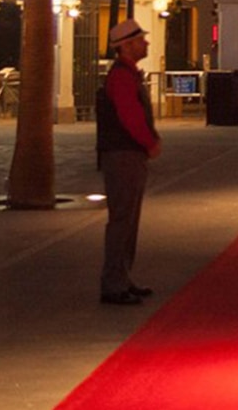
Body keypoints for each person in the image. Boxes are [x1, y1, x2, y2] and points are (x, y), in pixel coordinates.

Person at [97, 18, 161, 304]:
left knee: (128, 219)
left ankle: (122, 277)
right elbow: (129, 115)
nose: (146, 43)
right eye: (141, 40)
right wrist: (149, 141)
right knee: (122, 220)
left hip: (127, 153)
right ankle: (113, 283)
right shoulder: (122, 77)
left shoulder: (128, 73)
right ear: (126, 46)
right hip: (123, 154)